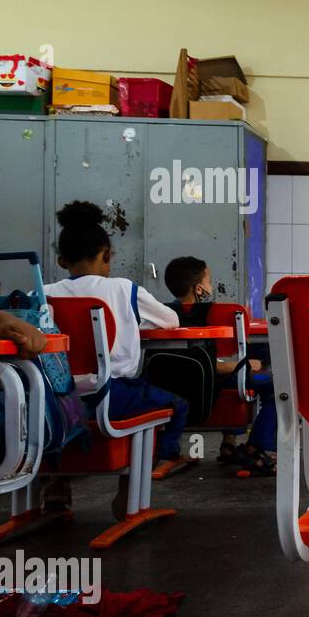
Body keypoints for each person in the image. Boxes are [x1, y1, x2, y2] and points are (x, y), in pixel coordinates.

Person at [42, 202, 188, 519]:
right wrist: (134, 324)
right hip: (113, 397)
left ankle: (56, 485)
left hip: (57, 402)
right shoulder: (125, 290)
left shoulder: (44, 293)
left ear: (61, 260)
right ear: (107, 254)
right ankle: (130, 489)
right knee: (174, 405)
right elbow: (171, 320)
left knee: (61, 417)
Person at [163, 256, 277, 475]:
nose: (211, 286)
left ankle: (229, 443)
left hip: (174, 382)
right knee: (274, 385)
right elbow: (207, 366)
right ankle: (258, 447)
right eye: (209, 281)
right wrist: (240, 364)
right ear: (199, 289)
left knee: (236, 376)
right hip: (207, 377)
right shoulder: (221, 312)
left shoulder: (163, 313)